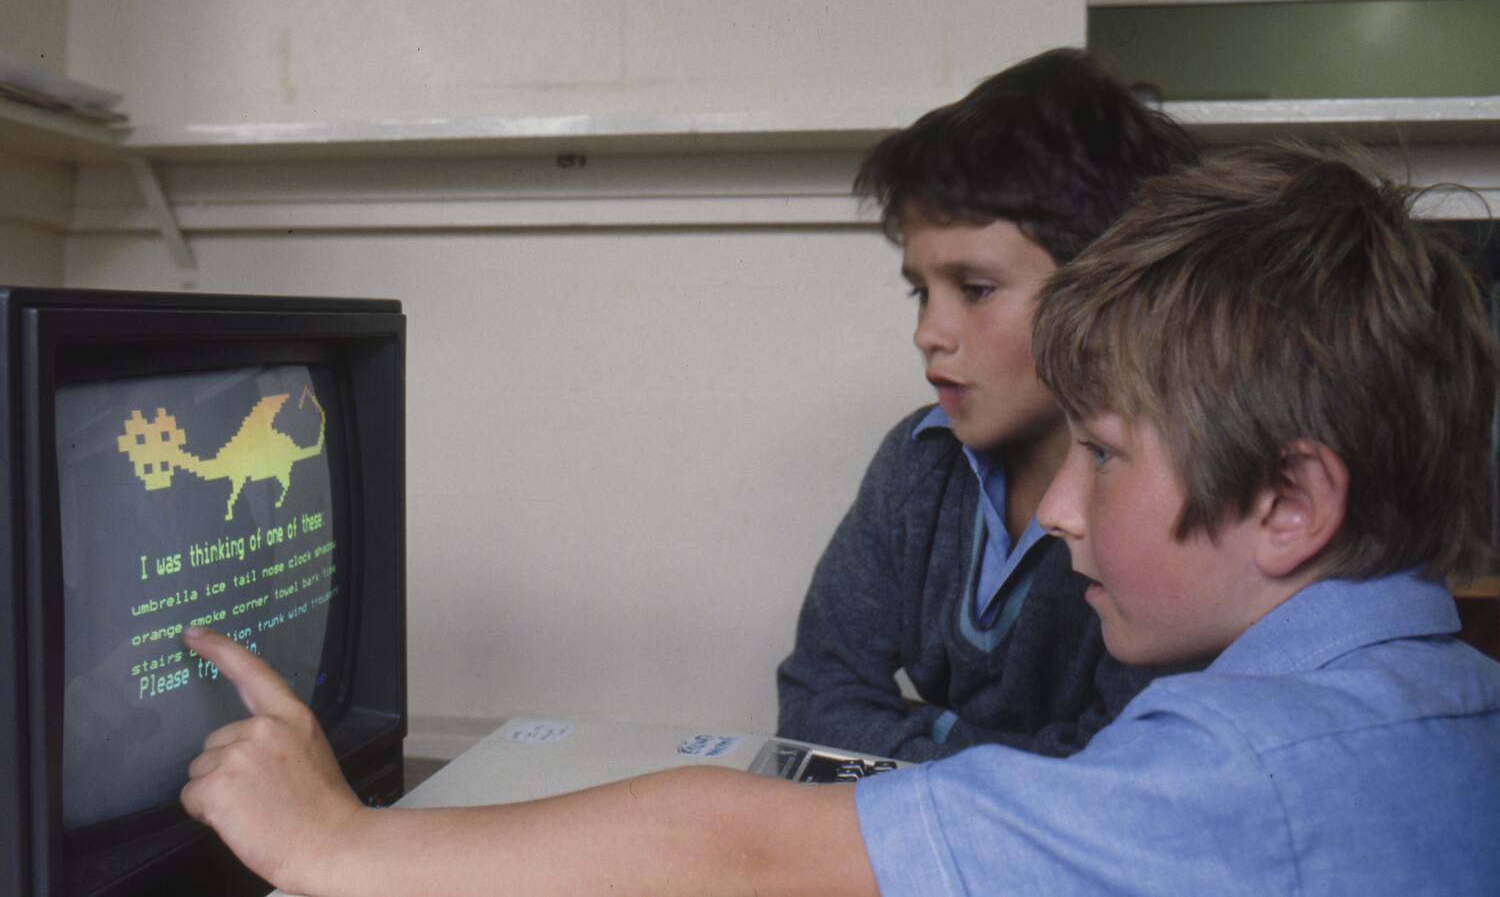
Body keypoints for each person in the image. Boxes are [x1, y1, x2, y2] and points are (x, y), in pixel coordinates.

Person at [183, 144, 1500, 894]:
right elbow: (823, 693)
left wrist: (342, 841)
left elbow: (750, 845)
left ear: (1289, 501)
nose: (1057, 505)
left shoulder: (1245, 771)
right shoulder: (1427, 698)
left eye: (1101, 455)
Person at [776, 47, 1198, 759]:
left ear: (1101, 289)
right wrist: (992, 752)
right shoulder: (918, 462)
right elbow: (817, 695)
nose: (927, 332)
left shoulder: (1166, 496)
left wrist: (927, 731)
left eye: (974, 290)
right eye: (921, 291)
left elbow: (1115, 771)